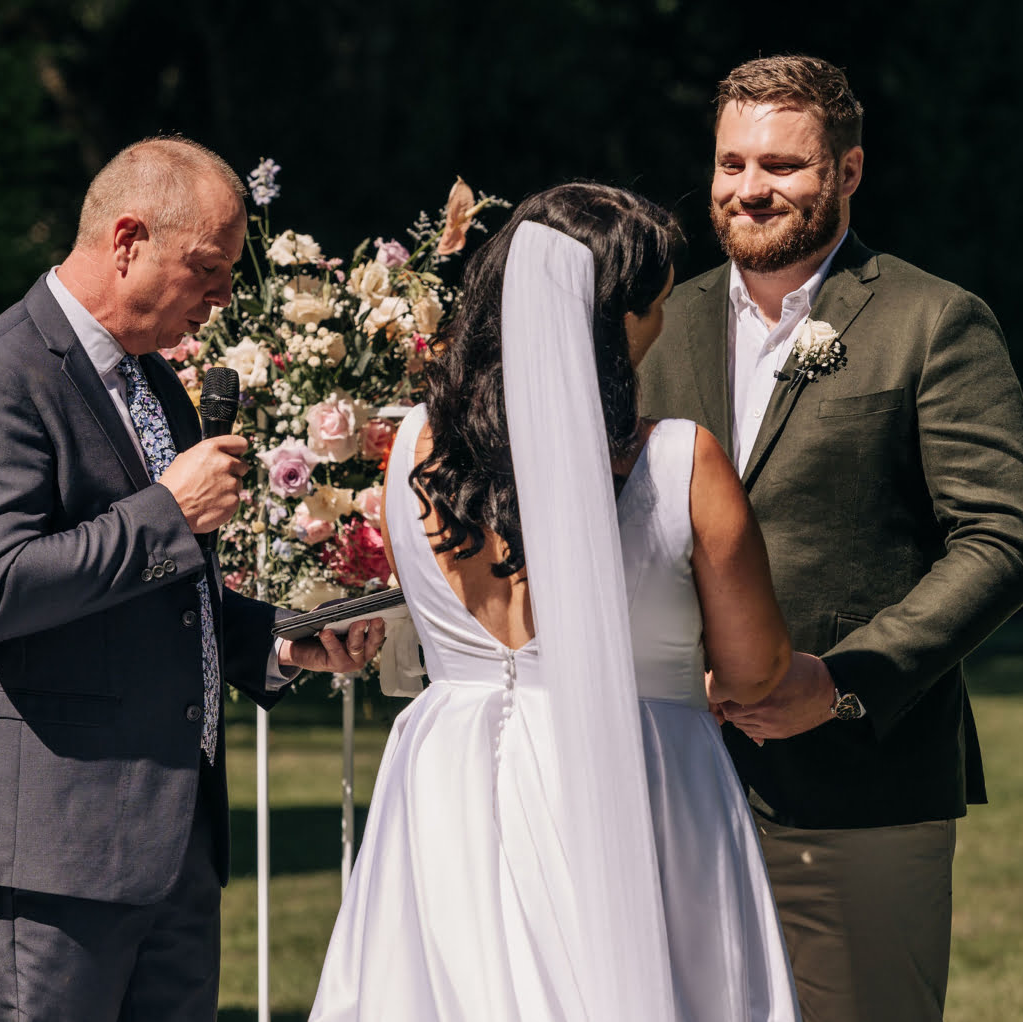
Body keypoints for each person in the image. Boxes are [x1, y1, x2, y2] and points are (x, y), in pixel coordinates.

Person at [0, 136, 384, 1022]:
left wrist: (283, 639)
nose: (224, 297)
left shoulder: (155, 382)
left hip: (174, 843)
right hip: (54, 846)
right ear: (127, 239)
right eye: (207, 267)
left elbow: (166, 596)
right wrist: (168, 509)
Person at [308, 183, 804, 1021]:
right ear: (622, 316)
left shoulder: (409, 457)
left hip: (446, 787)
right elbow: (756, 670)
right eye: (657, 301)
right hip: (633, 779)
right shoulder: (682, 461)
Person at [637, 55, 1023, 1022]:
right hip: (669, 780)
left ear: (849, 173)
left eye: (782, 166)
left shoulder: (932, 320)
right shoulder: (657, 321)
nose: (749, 189)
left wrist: (844, 679)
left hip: (860, 791)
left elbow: (1005, 537)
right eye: (732, 163)